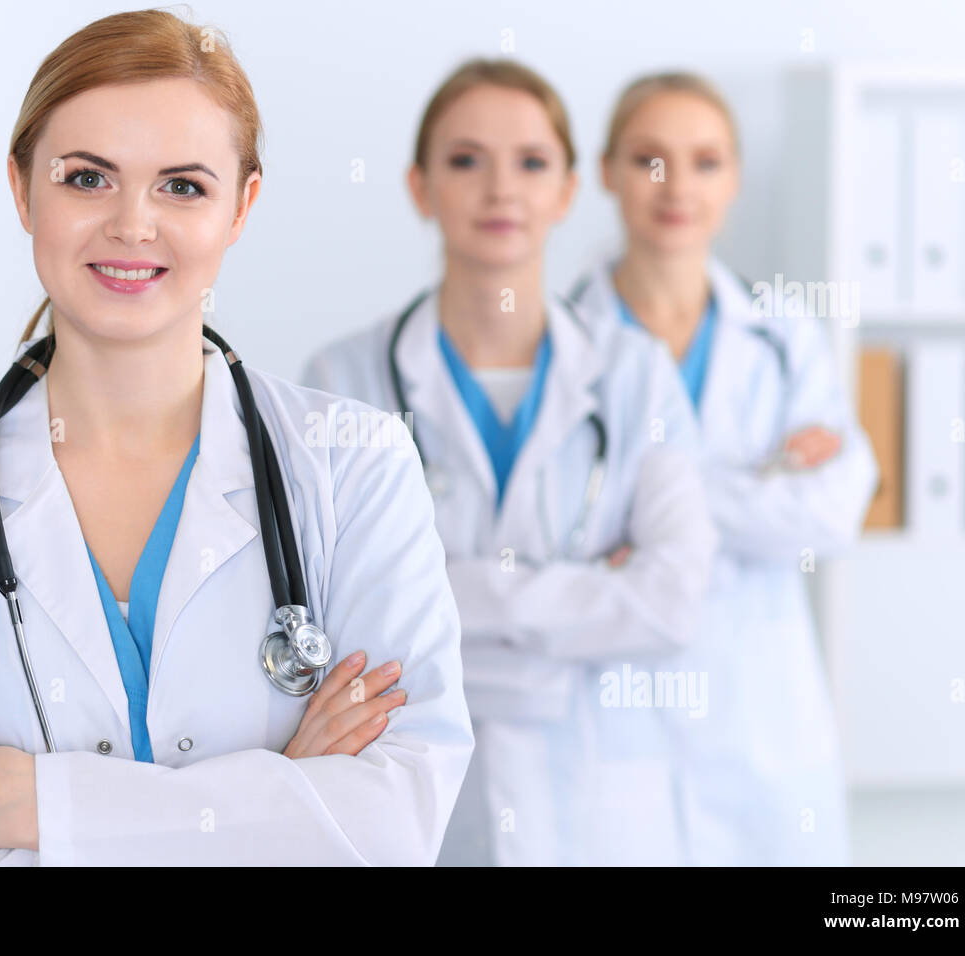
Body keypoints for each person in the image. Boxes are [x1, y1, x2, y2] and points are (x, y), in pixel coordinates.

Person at [0, 9, 473, 866]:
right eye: (86, 179)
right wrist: (282, 792)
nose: (132, 225)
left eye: (182, 186)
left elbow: (395, 822)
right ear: (20, 186)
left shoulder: (356, 466)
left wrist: (44, 804)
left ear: (241, 206)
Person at [301, 59, 717, 866]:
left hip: (599, 797)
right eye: (465, 160)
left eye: (530, 162)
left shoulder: (634, 375)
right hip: (409, 788)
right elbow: (336, 618)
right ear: (419, 187)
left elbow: (672, 602)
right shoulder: (342, 380)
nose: (501, 190)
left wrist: (442, 587)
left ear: (567, 190)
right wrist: (589, 586)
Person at [569, 72, 878, 865]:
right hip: (610, 716)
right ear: (605, 171)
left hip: (762, 719)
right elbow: (557, 528)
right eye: (649, 159)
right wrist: (760, 480)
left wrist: (650, 504)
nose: (678, 187)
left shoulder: (784, 336)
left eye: (705, 161)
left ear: (735, 177)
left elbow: (834, 512)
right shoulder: (561, 343)